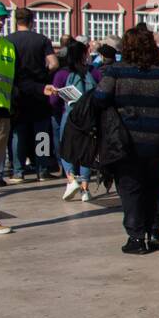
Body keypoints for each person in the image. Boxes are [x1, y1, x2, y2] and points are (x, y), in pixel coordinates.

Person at [92, 26, 159, 253]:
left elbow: (100, 98)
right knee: (154, 185)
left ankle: (136, 238)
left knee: (131, 188)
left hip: (127, 141)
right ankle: (154, 232)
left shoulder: (117, 71)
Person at [48, 37, 102, 201]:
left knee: (66, 149)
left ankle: (71, 179)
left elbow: (53, 101)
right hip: (90, 117)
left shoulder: (62, 74)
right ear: (85, 54)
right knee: (87, 150)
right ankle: (85, 188)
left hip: (70, 116)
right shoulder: (94, 72)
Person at [6, 8, 56, 183]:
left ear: (15, 21)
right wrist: (43, 73)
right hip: (40, 90)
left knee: (18, 133)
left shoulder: (8, 41)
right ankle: (42, 170)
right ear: (32, 21)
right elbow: (54, 62)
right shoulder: (42, 40)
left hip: (17, 92)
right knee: (41, 133)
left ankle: (18, 171)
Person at [0, 2, 14, 233]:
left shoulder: (8, 47)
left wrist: (40, 88)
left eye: (3, 18)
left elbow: (16, 81)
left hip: (1, 115)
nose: (0, 22)